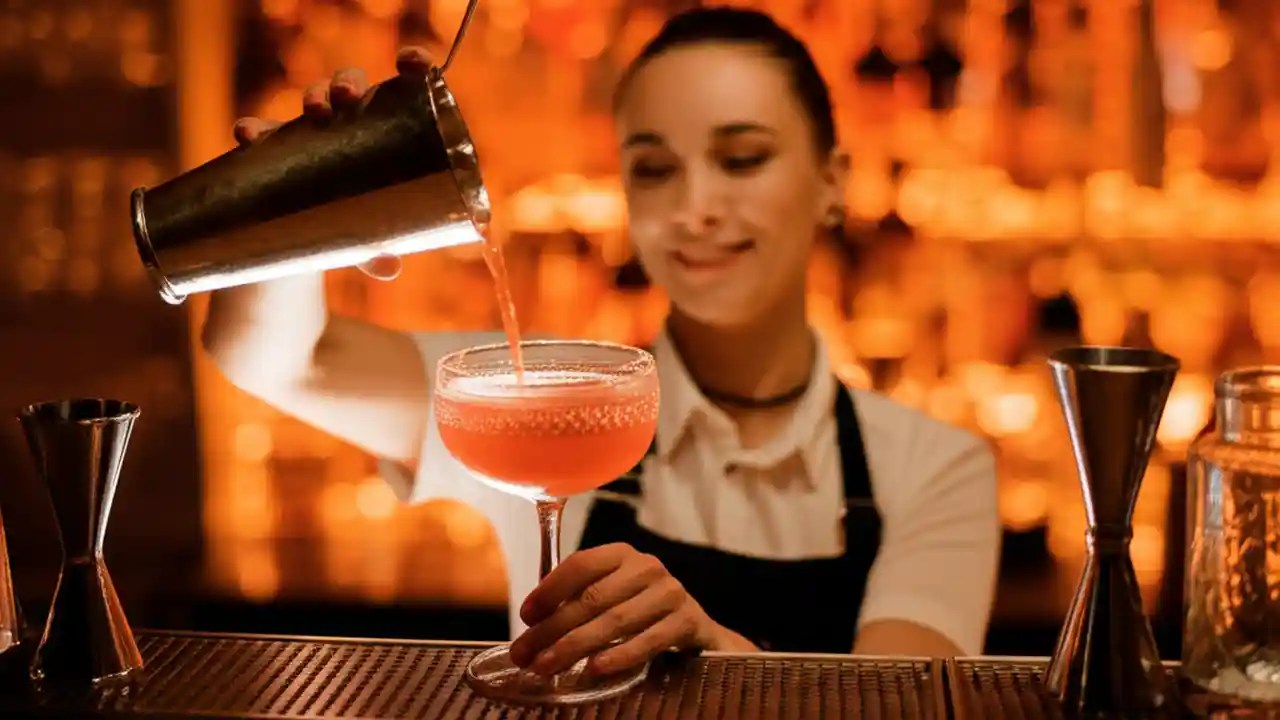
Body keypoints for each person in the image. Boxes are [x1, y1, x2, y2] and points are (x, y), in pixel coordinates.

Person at [207, 6, 999, 677]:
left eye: (743, 159)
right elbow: (274, 358)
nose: (695, 206)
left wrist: (712, 651)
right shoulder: (550, 402)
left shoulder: (933, 468)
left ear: (833, 179)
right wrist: (306, 194)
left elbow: (904, 696)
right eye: (655, 170)